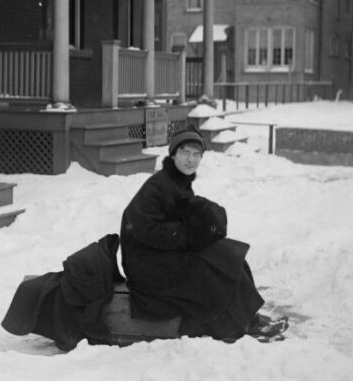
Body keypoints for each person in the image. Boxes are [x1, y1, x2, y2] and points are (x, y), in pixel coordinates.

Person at [119, 124, 287, 342]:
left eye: (196, 154)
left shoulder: (179, 182)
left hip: (164, 255)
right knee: (211, 271)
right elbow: (145, 230)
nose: (191, 160)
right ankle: (237, 324)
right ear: (173, 154)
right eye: (185, 153)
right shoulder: (157, 186)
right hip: (146, 265)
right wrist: (189, 235)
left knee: (229, 256)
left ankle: (248, 316)